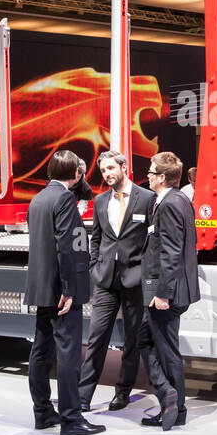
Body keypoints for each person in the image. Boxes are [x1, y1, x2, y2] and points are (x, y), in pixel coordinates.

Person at [25, 150, 104, 435]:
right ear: (75, 173)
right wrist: (70, 290)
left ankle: (43, 413)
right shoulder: (63, 199)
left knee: (41, 351)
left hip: (42, 287)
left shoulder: (38, 199)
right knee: (69, 354)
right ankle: (72, 419)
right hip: (61, 290)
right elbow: (68, 247)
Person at [78, 150, 155, 413]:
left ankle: (122, 393)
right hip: (105, 280)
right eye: (103, 171)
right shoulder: (100, 202)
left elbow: (152, 240)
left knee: (132, 340)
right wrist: (94, 266)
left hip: (135, 280)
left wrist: (147, 273)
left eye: (111, 168)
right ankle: (83, 396)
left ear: (123, 167)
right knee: (96, 338)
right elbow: (96, 239)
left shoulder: (147, 199)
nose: (107, 174)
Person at [139, 151, 200, 430]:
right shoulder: (175, 200)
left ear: (162, 177)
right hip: (170, 288)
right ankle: (175, 409)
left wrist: (163, 292)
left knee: (165, 350)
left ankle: (172, 403)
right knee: (158, 346)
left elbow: (172, 252)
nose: (148, 176)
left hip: (167, 291)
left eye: (151, 172)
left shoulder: (170, 204)